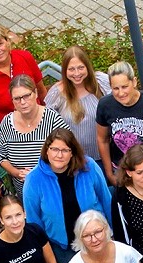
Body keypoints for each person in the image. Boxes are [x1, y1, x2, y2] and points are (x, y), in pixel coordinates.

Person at [22, 129, 112, 263]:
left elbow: (106, 200)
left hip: (97, 238)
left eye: (65, 150)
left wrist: (112, 234)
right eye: (54, 149)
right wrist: (45, 253)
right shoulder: (34, 179)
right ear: (47, 150)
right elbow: (34, 221)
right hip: (62, 247)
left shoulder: (89, 167)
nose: (59, 155)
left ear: (72, 153)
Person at [95, 61, 143, 182]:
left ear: (134, 82)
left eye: (125, 87)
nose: (121, 93)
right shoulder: (105, 105)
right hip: (120, 170)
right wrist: (109, 174)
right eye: (115, 88)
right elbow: (102, 139)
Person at [0, 75, 69, 199]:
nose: (23, 102)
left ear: (35, 93)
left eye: (26, 96)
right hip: (25, 193)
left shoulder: (53, 120)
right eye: (17, 98)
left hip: (53, 189)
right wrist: (17, 173)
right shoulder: (7, 122)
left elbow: (68, 152)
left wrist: (38, 175)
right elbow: (2, 157)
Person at [44, 47, 110, 175]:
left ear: (87, 67)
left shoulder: (101, 83)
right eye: (71, 69)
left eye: (80, 68)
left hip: (103, 156)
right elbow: (46, 123)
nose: (76, 73)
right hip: (73, 160)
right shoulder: (57, 93)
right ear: (65, 71)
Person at [0, 23, 47, 125]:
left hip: (38, 119)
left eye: (0, 44)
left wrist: (48, 117)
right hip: (9, 129)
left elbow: (41, 91)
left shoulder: (25, 57)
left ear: (8, 41)